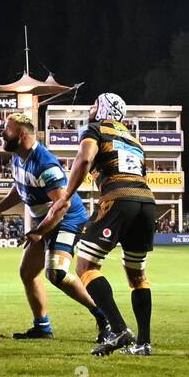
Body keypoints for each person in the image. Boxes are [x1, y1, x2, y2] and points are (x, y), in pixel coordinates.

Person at [0, 113, 109, 341]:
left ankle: (105, 316)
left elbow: (62, 205)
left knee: (56, 273)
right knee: (27, 272)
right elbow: (20, 187)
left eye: (7, 129)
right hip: (47, 220)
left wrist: (39, 232)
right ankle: (42, 326)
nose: (2, 132)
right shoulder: (19, 157)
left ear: (21, 135)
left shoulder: (45, 163)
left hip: (67, 218)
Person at [67, 93, 157, 357]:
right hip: (146, 202)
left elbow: (84, 159)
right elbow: (141, 173)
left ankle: (118, 329)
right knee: (137, 274)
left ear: (104, 108)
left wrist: (66, 195)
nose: (91, 108)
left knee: (85, 266)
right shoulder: (134, 140)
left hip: (118, 199)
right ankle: (144, 343)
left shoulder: (94, 129)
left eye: (95, 104)